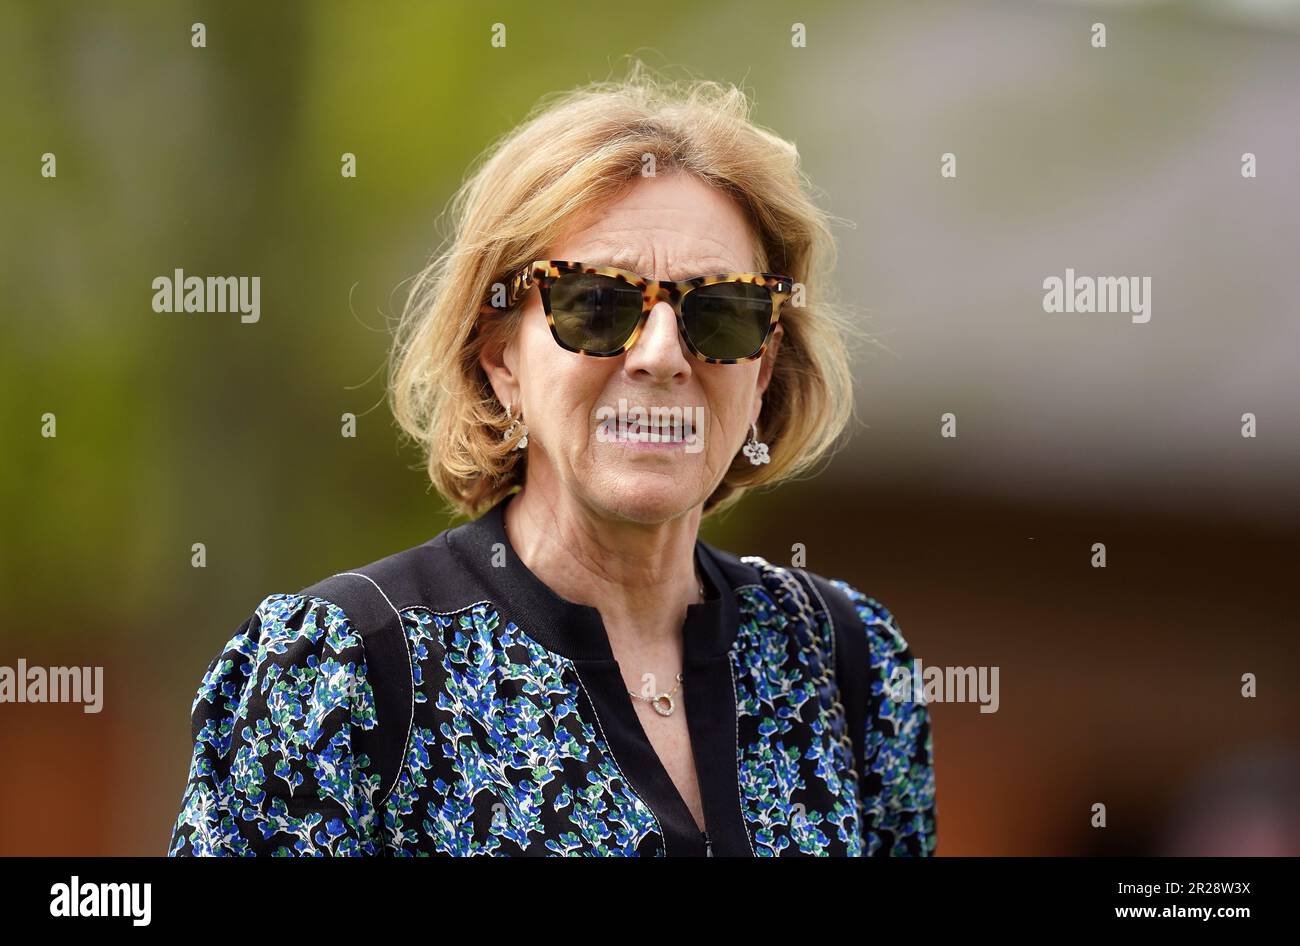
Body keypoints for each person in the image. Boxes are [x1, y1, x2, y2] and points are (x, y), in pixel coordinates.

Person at [167, 66, 937, 857]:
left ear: (765, 365)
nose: (664, 355)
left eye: (721, 311)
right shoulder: (341, 672)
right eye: (599, 304)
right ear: (499, 354)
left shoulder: (847, 664)